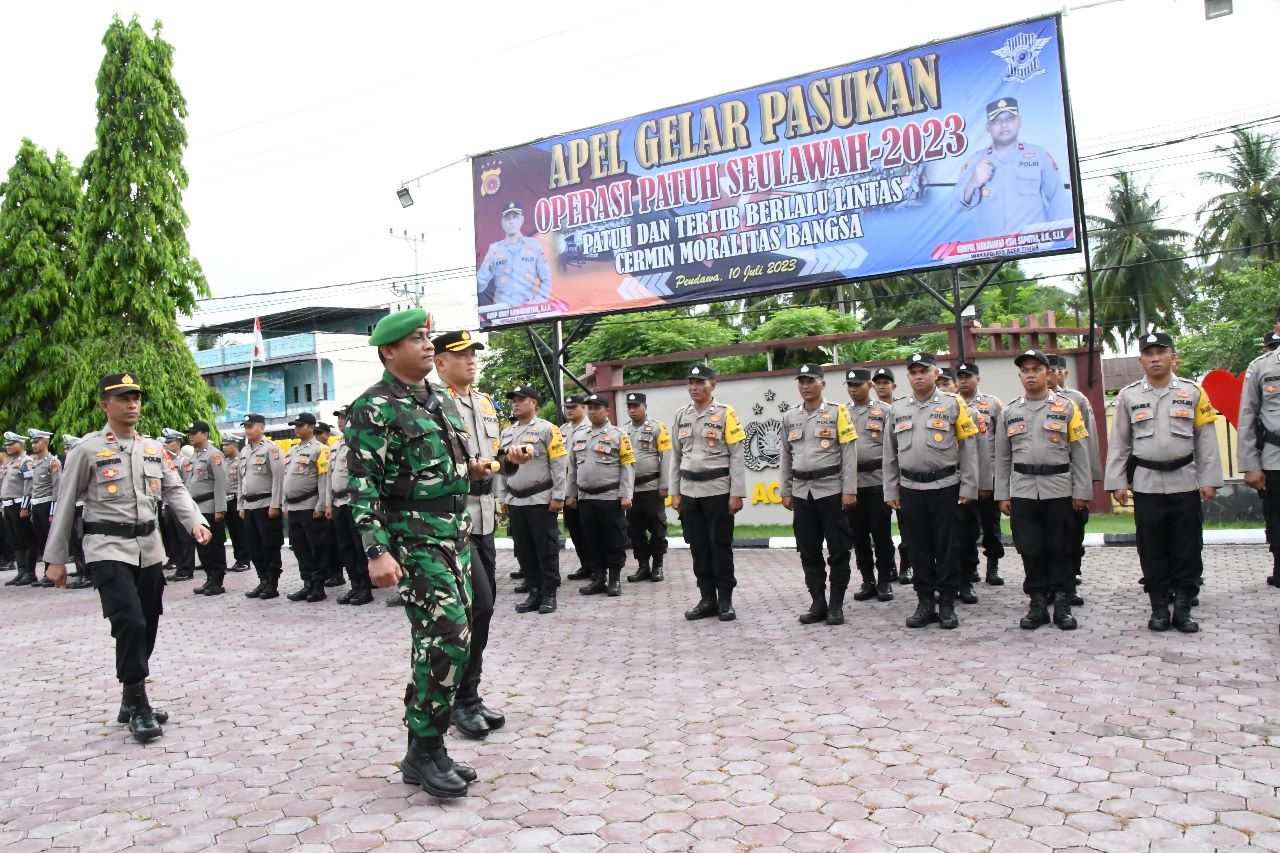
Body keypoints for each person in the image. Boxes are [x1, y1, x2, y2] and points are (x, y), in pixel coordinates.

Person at [346, 307, 480, 799]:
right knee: (446, 636)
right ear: (389, 351)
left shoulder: (438, 399)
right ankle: (425, 749)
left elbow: (451, 463)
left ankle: (426, 747)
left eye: (428, 337)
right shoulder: (373, 407)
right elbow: (362, 486)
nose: (429, 345)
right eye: (417, 339)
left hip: (455, 532)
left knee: (450, 639)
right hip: (415, 537)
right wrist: (376, 549)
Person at [44, 372, 211, 742]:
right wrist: (56, 558)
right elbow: (66, 504)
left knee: (148, 620)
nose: (132, 404)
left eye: (136, 398)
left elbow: (175, 489)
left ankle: (129, 694)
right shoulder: (85, 450)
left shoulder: (152, 448)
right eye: (122, 399)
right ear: (105, 404)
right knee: (130, 621)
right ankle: (138, 703)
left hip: (149, 548)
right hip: (106, 547)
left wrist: (195, 521)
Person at [1105, 332, 1222, 633]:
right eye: (1149, 353)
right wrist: (1117, 481)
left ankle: (1183, 606)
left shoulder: (1193, 392)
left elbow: (1206, 440)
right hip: (1146, 484)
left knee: (1187, 547)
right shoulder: (1128, 396)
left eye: (1161, 351)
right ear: (1141, 360)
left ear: (1173, 357)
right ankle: (1158, 606)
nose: (1155, 357)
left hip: (1185, 481)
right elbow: (1119, 443)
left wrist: (1209, 479)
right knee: (1151, 547)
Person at [431, 329, 506, 739]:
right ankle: (458, 700)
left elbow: (490, 461)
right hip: (452, 518)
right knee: (477, 604)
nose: (472, 360)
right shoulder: (433, 403)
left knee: (485, 608)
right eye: (462, 355)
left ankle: (471, 695)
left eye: (474, 354)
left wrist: (506, 462)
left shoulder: (484, 402)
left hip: (485, 515)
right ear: (441, 362)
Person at [994, 350, 1092, 630]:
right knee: (1030, 549)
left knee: (1061, 547)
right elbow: (1002, 457)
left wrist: (1081, 490)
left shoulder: (1067, 408)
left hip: (1059, 488)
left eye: (1036, 369)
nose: (1030, 374)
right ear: (1020, 376)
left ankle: (1062, 604)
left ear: (1047, 374)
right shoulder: (1009, 412)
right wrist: (1003, 494)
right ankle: (1037, 603)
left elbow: (1080, 452)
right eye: (1025, 370)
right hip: (1024, 490)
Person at [883, 352, 979, 630]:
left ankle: (947, 602)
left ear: (935, 374)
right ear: (908, 377)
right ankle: (925, 601)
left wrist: (970, 485)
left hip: (946, 487)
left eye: (923, 371)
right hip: (911, 489)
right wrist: (891, 489)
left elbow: (969, 446)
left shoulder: (953, 403)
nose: (918, 376)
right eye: (913, 372)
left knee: (948, 547)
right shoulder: (898, 408)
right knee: (918, 547)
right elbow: (890, 454)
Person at [780, 364, 857, 625]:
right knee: (808, 550)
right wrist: (786, 490)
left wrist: (849, 489)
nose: (805, 385)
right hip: (802, 493)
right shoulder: (790, 416)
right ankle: (818, 602)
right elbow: (785, 456)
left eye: (810, 380)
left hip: (831, 490)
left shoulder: (838, 412)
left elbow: (848, 453)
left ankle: (836, 604)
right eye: (801, 381)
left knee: (838, 549)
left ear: (822, 383)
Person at [670, 364, 747, 622]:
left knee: (720, 546)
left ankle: (725, 600)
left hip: (717, 491)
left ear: (712, 384)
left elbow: (737, 456)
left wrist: (737, 493)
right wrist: (675, 493)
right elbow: (675, 457)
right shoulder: (681, 415)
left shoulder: (727, 414)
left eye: (699, 382)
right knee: (699, 547)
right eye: (690, 382)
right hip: (689, 491)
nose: (694, 387)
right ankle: (706, 599)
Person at [951, 97, 1068, 237]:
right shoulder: (975, 160)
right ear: (988, 127)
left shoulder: (1039, 155)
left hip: (1035, 248)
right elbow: (956, 206)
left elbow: (1058, 198)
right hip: (989, 251)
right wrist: (972, 182)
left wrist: (1057, 240)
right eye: (996, 121)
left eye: (1010, 119)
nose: (1004, 125)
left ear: (1019, 121)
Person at [498, 385, 568, 615]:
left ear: (534, 403)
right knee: (524, 550)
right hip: (516, 501)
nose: (515, 403)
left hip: (540, 499)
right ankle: (534, 592)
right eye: (514, 399)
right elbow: (502, 468)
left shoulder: (548, 429)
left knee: (546, 550)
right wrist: (503, 496)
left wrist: (558, 495)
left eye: (521, 399)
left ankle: (549, 594)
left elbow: (558, 465)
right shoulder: (507, 433)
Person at [568, 393, 636, 598]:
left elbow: (628, 466)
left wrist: (626, 494)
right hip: (586, 498)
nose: (593, 411)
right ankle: (598, 578)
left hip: (610, 496)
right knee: (591, 539)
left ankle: (614, 579)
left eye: (597, 407)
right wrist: (570, 494)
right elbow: (572, 468)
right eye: (590, 407)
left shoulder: (618, 435)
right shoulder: (579, 435)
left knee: (614, 539)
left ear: (607, 411)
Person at [1047, 353, 1102, 606]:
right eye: (1045, 369)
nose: (1049, 374)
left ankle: (1070, 579)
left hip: (1071, 478)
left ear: (1063, 374)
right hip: (1041, 483)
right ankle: (1047, 584)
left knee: (1071, 534)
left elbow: (1087, 443)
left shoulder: (1076, 400)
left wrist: (1088, 480)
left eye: (1054, 370)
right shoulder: (1022, 403)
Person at [844, 368, 896, 603]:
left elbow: (894, 448)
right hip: (853, 483)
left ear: (870, 386)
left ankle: (884, 580)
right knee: (859, 535)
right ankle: (868, 580)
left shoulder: (885, 411)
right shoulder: (841, 413)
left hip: (878, 480)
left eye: (858, 385)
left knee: (881, 534)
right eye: (850, 385)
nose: (853, 389)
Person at [954, 362, 1006, 593]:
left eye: (968, 376)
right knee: (966, 525)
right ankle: (971, 567)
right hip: (963, 475)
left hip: (988, 472)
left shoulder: (993, 404)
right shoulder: (951, 403)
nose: (964, 381)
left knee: (990, 523)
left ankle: (992, 566)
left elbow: (1003, 439)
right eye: (960, 377)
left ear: (978, 379)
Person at [1237, 330, 1280, 587]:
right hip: (1275, 458)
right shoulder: (1260, 368)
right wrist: (1250, 464)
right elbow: (1247, 418)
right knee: (1276, 517)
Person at [282, 412, 332, 603]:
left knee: (316, 547)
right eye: (295, 425)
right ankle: (307, 583)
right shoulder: (293, 450)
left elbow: (323, 479)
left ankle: (318, 586)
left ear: (311, 427)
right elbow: (287, 479)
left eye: (300, 425)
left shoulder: (320, 450)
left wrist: (321, 504)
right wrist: (285, 504)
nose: (296, 428)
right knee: (299, 547)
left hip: (310, 506)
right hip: (294, 507)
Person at [326, 407, 373, 606]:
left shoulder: (361, 443)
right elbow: (329, 476)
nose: (340, 421)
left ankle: (365, 588)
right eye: (338, 418)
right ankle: (354, 585)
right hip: (338, 502)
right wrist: (328, 503)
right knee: (345, 546)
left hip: (355, 502)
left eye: (344, 417)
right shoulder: (335, 446)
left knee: (358, 545)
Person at [622, 392, 670, 583]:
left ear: (645, 407)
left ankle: (657, 565)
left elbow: (666, 458)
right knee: (635, 530)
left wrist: (665, 485)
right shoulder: (622, 431)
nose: (632, 410)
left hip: (652, 487)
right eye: (629, 407)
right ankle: (643, 566)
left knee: (657, 528)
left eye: (636, 406)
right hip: (631, 490)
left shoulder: (657, 428)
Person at [239, 413, 286, 600]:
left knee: (269, 546)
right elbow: (241, 481)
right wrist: (240, 504)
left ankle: (272, 584)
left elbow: (278, 478)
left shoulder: (271, 449)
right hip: (249, 505)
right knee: (254, 547)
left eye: (251, 426)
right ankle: (262, 580)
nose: (247, 430)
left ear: (262, 427)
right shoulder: (244, 451)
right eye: (245, 427)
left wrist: (276, 504)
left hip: (266, 505)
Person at [181, 421, 228, 596]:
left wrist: (220, 509)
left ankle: (217, 581)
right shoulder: (194, 456)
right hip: (197, 508)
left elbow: (221, 483)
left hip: (210, 506)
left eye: (195, 433)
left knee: (214, 545)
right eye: (190, 433)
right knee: (202, 546)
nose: (191, 436)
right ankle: (209, 578)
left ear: (205, 434)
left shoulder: (214, 455)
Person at [476, 201, 552, 307]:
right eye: (507, 218)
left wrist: (539, 300)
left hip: (527, 314)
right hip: (501, 316)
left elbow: (546, 278)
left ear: (522, 220)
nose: (511, 221)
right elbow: (479, 286)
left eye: (515, 217)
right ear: (502, 222)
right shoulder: (494, 249)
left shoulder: (534, 246)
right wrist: (486, 263)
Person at [871, 367, 908, 585]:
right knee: (881, 527)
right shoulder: (870, 410)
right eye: (878, 382)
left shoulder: (903, 408)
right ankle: (889, 568)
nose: (882, 386)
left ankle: (906, 566)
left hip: (903, 476)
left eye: (886, 382)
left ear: (894, 386)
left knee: (907, 525)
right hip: (878, 477)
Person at [557, 393, 591, 585]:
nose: (569, 410)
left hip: (584, 485)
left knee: (589, 530)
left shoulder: (590, 428)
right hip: (566, 487)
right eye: (566, 407)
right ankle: (585, 564)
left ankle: (597, 567)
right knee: (575, 529)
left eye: (573, 407)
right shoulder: (562, 430)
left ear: (583, 408)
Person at [22, 428, 59, 587]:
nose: (33, 444)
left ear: (45, 442)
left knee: (50, 541)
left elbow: (57, 488)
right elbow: (31, 488)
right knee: (42, 542)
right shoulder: (35, 463)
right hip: (37, 506)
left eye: (36, 441)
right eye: (32, 442)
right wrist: (30, 509)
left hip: (47, 505)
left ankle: (52, 575)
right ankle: (46, 573)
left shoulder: (53, 462)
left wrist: (53, 512)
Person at [314, 421, 347, 591]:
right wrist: (327, 504)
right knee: (336, 543)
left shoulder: (328, 449)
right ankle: (337, 574)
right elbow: (327, 479)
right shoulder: (333, 448)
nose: (317, 436)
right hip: (333, 502)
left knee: (353, 544)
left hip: (350, 501)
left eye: (320, 433)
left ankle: (362, 580)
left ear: (327, 434)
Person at [160, 429, 196, 582]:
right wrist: (163, 506)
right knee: (172, 537)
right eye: (166, 442)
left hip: (180, 506)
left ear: (178, 443)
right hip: (168, 505)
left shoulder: (183, 461)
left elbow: (187, 485)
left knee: (185, 538)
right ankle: (179, 566)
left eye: (170, 442)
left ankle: (187, 569)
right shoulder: (165, 461)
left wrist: (186, 506)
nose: (167, 445)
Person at [2, 431, 36, 586]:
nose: (8, 447)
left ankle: (30, 572)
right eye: (6, 445)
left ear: (21, 444)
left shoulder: (26, 461)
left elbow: (29, 485)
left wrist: (24, 507)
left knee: (26, 539)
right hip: (8, 505)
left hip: (19, 505)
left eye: (11, 444)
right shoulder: (8, 463)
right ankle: (21, 571)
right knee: (15, 540)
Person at [59, 434, 93, 589]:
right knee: (75, 541)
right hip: (74, 507)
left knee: (81, 540)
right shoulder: (68, 464)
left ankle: (88, 574)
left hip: (82, 507)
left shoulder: (85, 463)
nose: (67, 452)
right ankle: (81, 571)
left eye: (70, 448)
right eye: (66, 449)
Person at [221, 437, 251, 572]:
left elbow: (243, 483)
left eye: (227, 445)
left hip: (236, 499)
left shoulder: (241, 461)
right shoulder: (225, 461)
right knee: (233, 532)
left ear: (234, 445)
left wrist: (242, 502)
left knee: (241, 532)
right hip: (226, 500)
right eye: (223, 445)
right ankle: (238, 559)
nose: (224, 447)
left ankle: (245, 560)